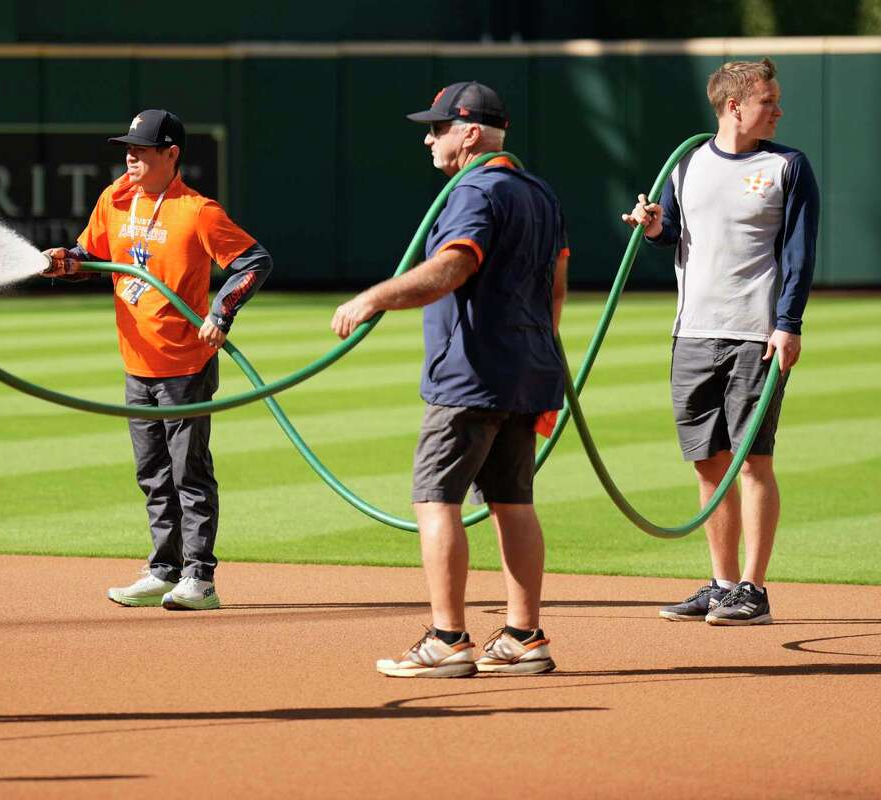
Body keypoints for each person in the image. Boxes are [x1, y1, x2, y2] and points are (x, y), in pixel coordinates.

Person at [331, 82, 568, 677]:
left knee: (435, 499)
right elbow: (557, 290)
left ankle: (447, 639)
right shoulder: (539, 192)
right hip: (526, 369)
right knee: (514, 502)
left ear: (470, 133)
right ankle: (524, 637)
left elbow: (452, 267)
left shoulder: (474, 191)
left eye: (438, 128)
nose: (429, 139)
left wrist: (373, 297)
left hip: (471, 373)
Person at [42, 109, 272, 611]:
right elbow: (89, 254)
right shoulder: (115, 198)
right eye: (128, 148)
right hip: (136, 363)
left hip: (185, 366)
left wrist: (222, 312)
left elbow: (254, 262)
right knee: (152, 474)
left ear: (171, 154)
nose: (131, 157)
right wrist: (66, 262)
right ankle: (164, 570)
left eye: (142, 150)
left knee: (189, 473)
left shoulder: (197, 211)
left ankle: (200, 578)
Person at [622, 58, 819, 626]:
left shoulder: (788, 166)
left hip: (755, 336)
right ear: (734, 106)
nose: (778, 110)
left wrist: (789, 324)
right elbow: (674, 232)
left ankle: (754, 590)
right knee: (708, 464)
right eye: (767, 101)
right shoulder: (687, 163)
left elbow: (800, 254)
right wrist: (653, 225)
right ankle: (722, 584)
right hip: (691, 333)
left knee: (754, 462)